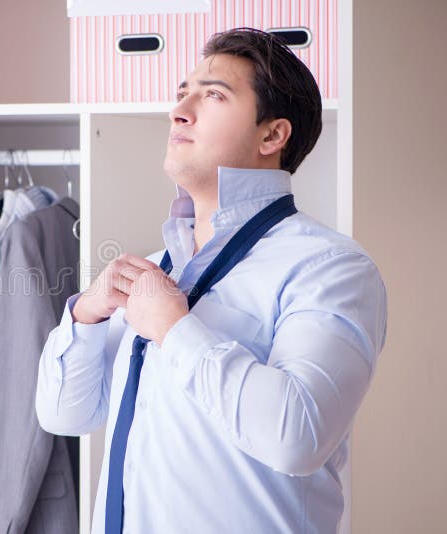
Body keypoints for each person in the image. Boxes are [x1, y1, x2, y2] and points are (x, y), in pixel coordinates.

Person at [35, 28, 387, 533]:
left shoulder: (330, 268)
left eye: (214, 95)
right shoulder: (157, 270)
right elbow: (65, 416)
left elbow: (298, 436)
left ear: (272, 136)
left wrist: (175, 331)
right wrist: (85, 316)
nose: (180, 109)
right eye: (183, 91)